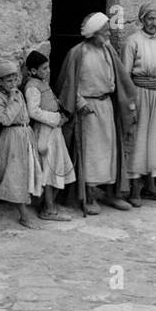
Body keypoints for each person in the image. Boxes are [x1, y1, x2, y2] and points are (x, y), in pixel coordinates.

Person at [57, 12, 135, 215]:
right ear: (95, 33)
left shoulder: (108, 50)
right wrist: (79, 102)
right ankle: (89, 195)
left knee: (111, 151)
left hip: (107, 106)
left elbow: (119, 78)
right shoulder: (78, 53)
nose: (108, 33)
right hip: (88, 110)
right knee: (92, 154)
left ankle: (112, 193)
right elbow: (68, 85)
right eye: (105, 30)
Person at [122, 2, 156, 204]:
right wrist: (130, 105)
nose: (154, 23)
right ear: (142, 20)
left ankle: (151, 187)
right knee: (140, 142)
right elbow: (125, 76)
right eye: (150, 19)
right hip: (141, 96)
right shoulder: (132, 42)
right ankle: (135, 190)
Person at [0, 60, 42, 228]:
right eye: (8, 81)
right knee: (16, 175)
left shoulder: (19, 93)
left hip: (25, 135)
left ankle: (33, 208)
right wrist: (11, 99)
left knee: (28, 172)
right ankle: (24, 216)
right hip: (12, 138)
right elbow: (5, 119)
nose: (13, 84)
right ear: (0, 82)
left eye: (15, 79)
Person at [23, 51, 74, 222]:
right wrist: (56, 118)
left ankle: (48, 204)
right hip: (45, 132)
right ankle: (48, 209)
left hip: (53, 132)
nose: (48, 70)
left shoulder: (42, 84)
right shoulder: (32, 87)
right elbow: (33, 111)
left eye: (48, 67)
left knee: (56, 167)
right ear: (33, 71)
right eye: (44, 68)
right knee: (49, 169)